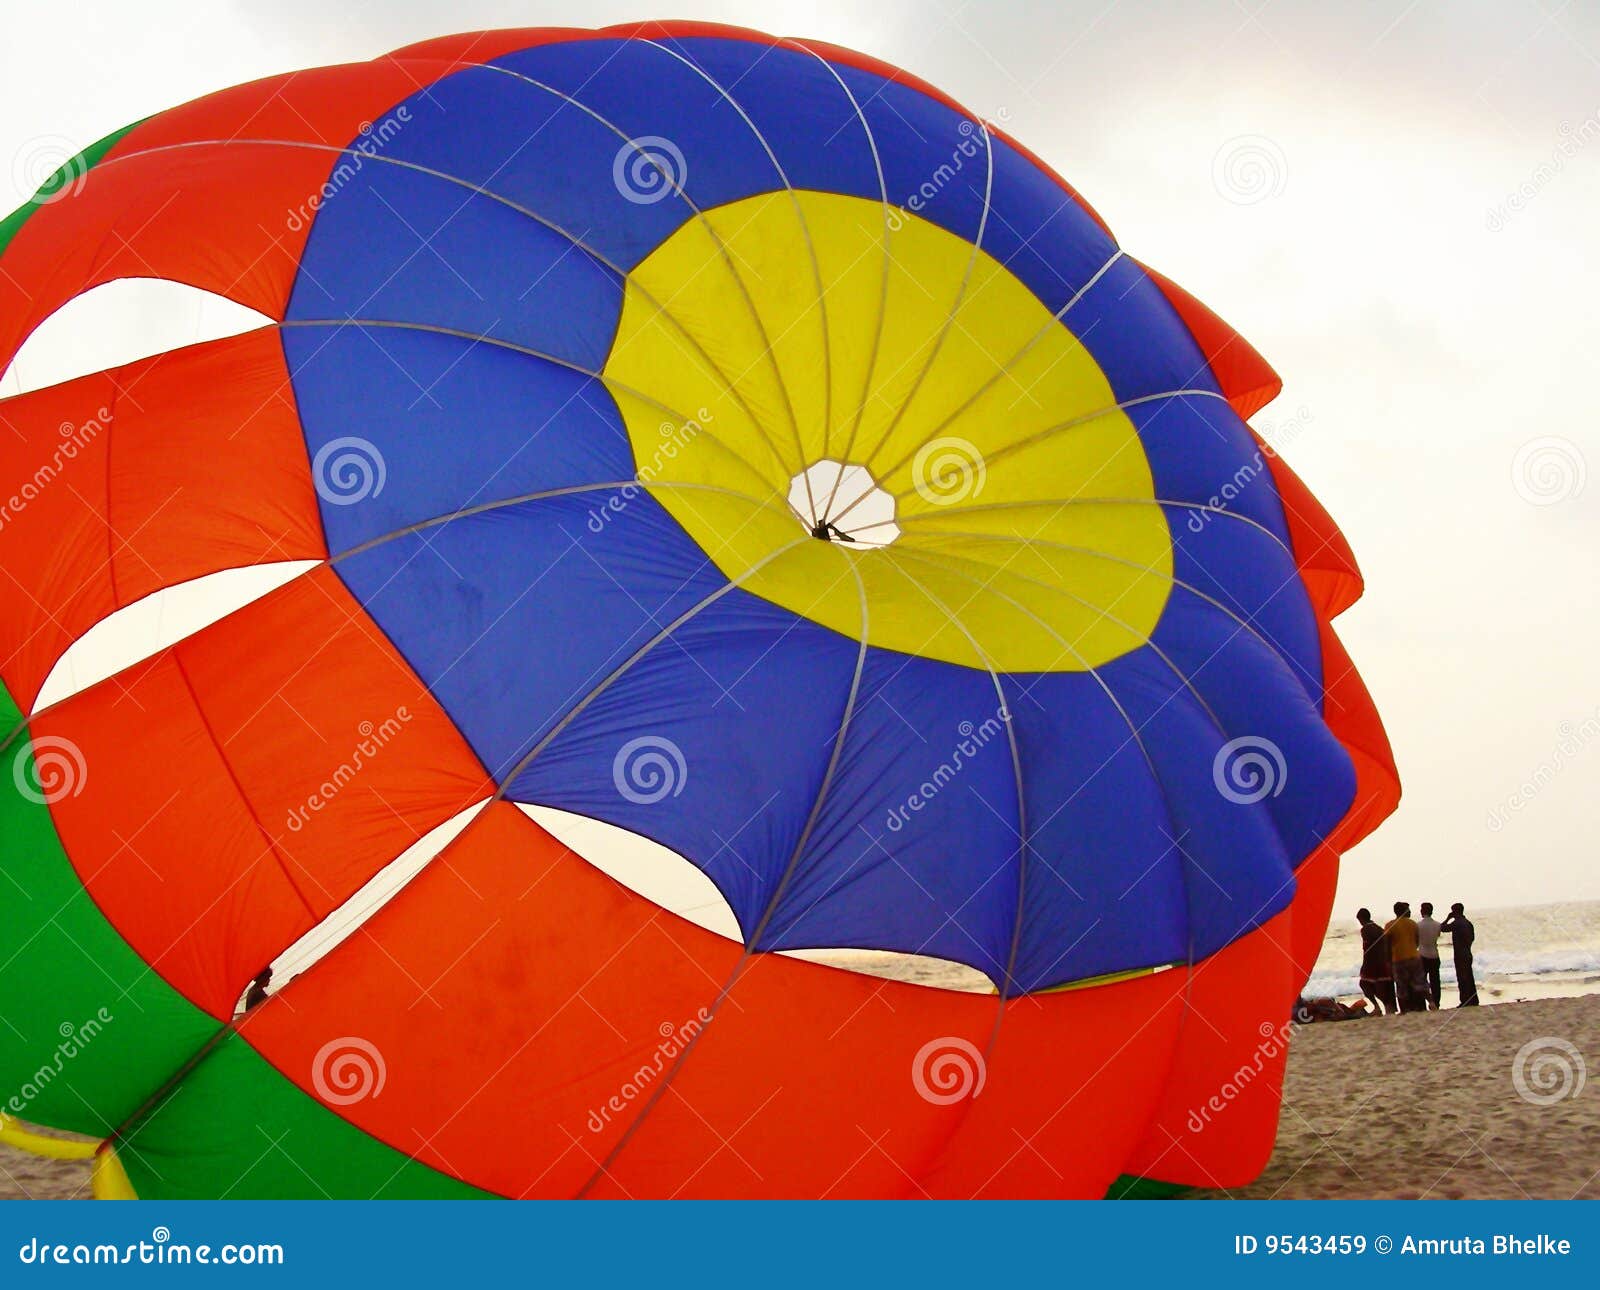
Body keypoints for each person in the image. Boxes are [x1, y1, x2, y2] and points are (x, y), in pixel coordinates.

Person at [1384, 901, 1426, 1013]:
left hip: (1398, 959)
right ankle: (1421, 1007)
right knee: (1418, 982)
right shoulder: (1413, 923)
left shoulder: (1389, 925)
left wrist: (1388, 961)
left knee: (1401, 985)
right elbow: (1417, 941)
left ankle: (1404, 1009)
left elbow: (1387, 945)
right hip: (1414, 956)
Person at [1356, 908, 1396, 1015]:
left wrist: (1365, 964)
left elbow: (1367, 949)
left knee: (1364, 984)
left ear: (1361, 919)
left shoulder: (1365, 929)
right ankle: (1386, 1006)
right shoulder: (1378, 928)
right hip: (1383, 961)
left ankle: (1378, 1007)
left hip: (1372, 963)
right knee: (1379, 986)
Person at [1439, 903, 1478, 1006]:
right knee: (1469, 977)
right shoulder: (1468, 923)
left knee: (1462, 978)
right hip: (1468, 952)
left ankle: (1465, 1000)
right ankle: (1473, 999)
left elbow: (1442, 928)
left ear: (1454, 912)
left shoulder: (1457, 923)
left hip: (1460, 954)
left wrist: (1448, 918)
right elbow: (1472, 938)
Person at [1417, 901, 1443, 1009]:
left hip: (1423, 954)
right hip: (1435, 954)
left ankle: (1424, 1002)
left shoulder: (1418, 925)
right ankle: (1436, 1002)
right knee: (1435, 981)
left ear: (1423, 911)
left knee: (1422, 980)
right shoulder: (1437, 925)